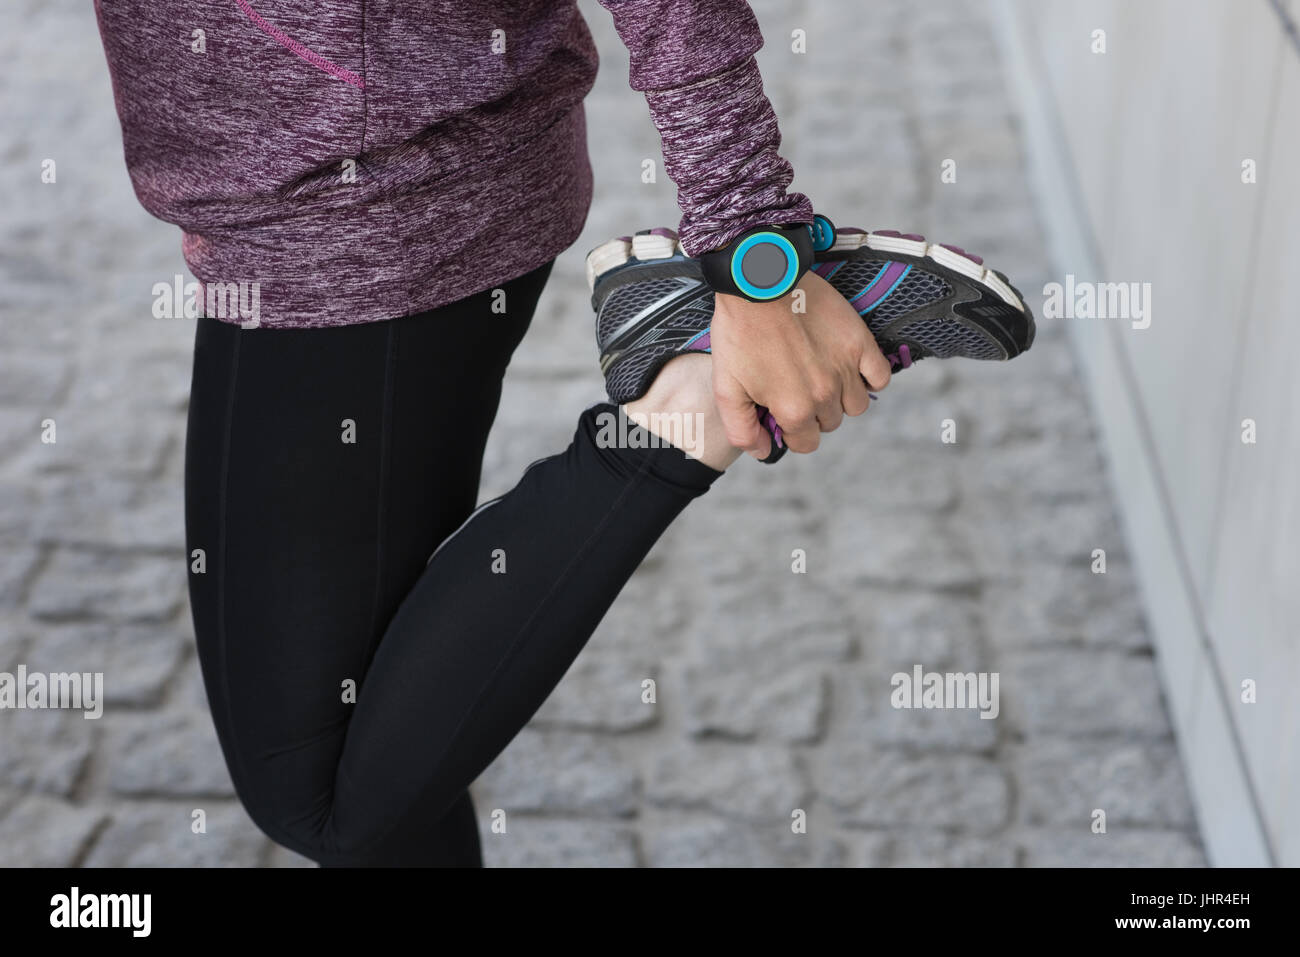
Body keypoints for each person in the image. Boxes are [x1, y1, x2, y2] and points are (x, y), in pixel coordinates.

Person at [93, 0, 1032, 866]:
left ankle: (682, 411)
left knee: (314, 785)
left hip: (362, 210)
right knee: (397, 717)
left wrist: (754, 246)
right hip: (347, 177)